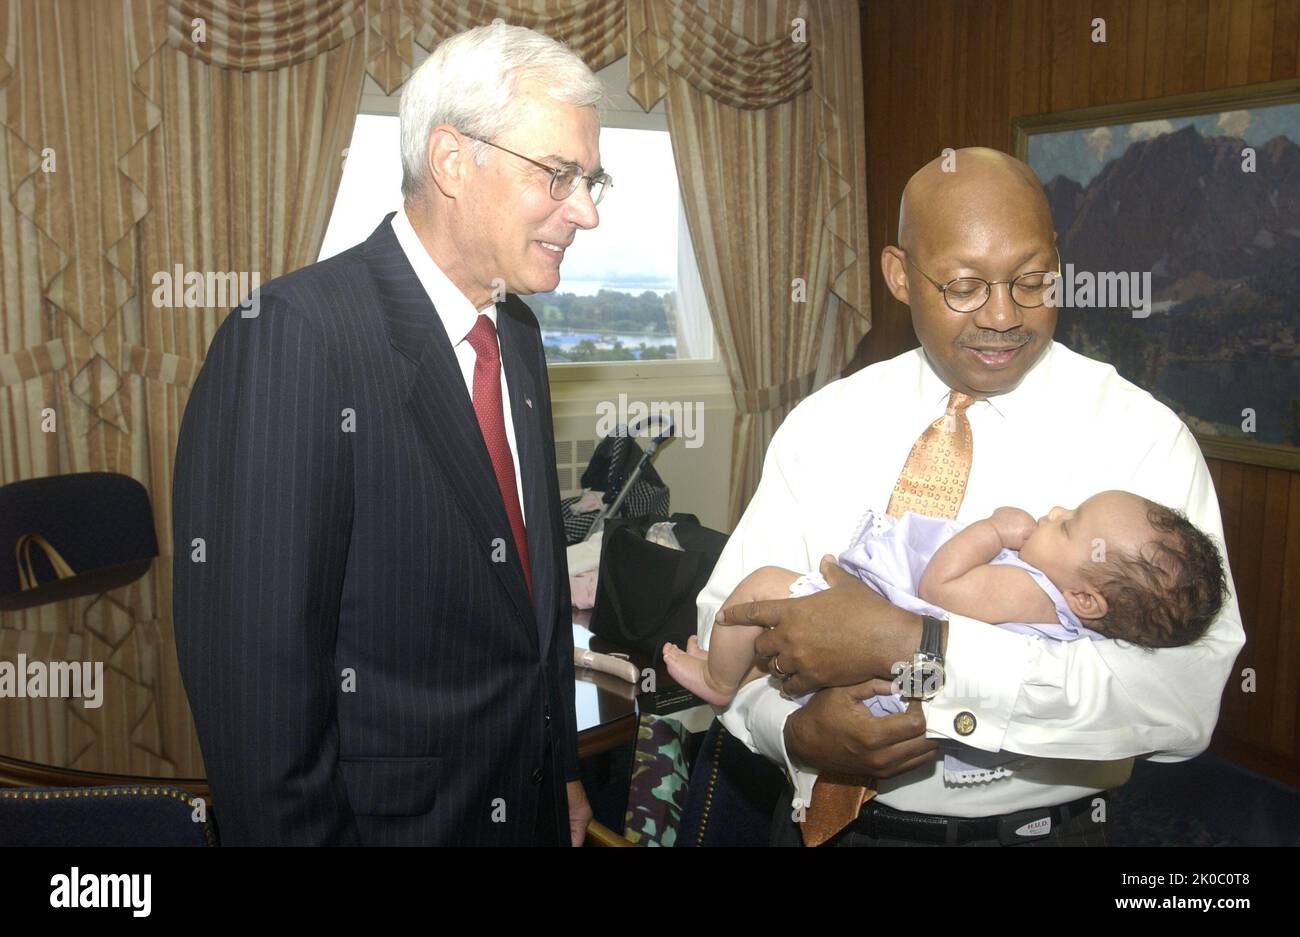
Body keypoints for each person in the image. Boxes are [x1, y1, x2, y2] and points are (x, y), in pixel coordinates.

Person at [695, 147, 1245, 847]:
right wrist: (793, 730)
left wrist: (921, 647)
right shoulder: (823, 422)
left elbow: (1179, 702)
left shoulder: (1144, 439)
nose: (1003, 314)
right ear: (899, 274)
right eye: (963, 285)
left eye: (1031, 280)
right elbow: (729, 612)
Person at [172, 24, 609, 845]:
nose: (584, 211)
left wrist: (567, 771)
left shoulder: (516, 334)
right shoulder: (293, 339)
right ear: (452, 160)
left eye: (591, 179)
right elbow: (257, 698)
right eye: (558, 174)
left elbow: (531, 594)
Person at [668, 491, 1229, 706]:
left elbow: (941, 588)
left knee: (765, 584)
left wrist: (993, 532)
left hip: (881, 644)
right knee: (773, 628)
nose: (1054, 511)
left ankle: (719, 683)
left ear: (1084, 598)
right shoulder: (1054, 598)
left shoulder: (1029, 589)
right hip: (879, 628)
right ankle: (739, 674)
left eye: (1069, 525)